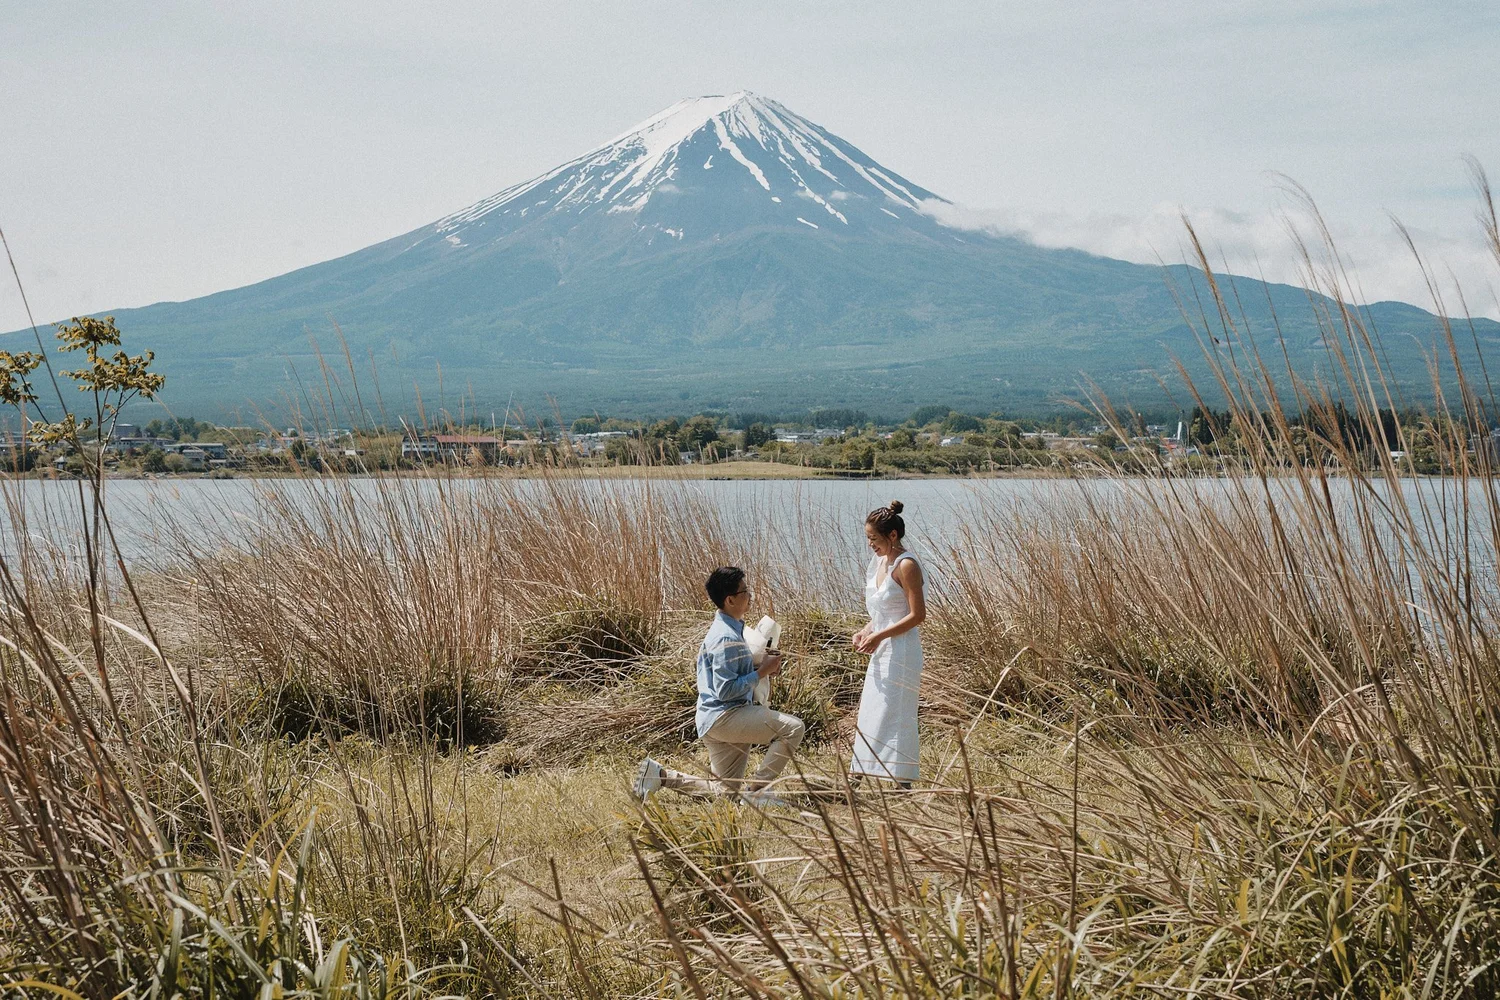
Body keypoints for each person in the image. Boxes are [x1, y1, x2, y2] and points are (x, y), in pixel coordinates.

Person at [634, 566, 805, 807]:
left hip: (714, 718)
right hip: (726, 716)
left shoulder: (733, 630)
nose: (750, 595)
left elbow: (731, 675)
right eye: (745, 591)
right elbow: (725, 691)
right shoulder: (726, 637)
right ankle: (757, 792)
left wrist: (761, 667)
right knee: (793, 729)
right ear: (730, 600)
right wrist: (761, 672)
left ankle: (660, 775)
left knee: (725, 795)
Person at [850, 500, 926, 787]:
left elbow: (917, 615)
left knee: (897, 712)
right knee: (871, 710)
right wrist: (866, 630)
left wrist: (879, 636)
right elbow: (883, 612)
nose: (870, 544)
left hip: (902, 650)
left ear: (892, 535)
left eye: (874, 538)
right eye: (868, 538)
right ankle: (857, 776)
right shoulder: (880, 561)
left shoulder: (906, 565)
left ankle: (902, 782)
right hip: (882, 649)